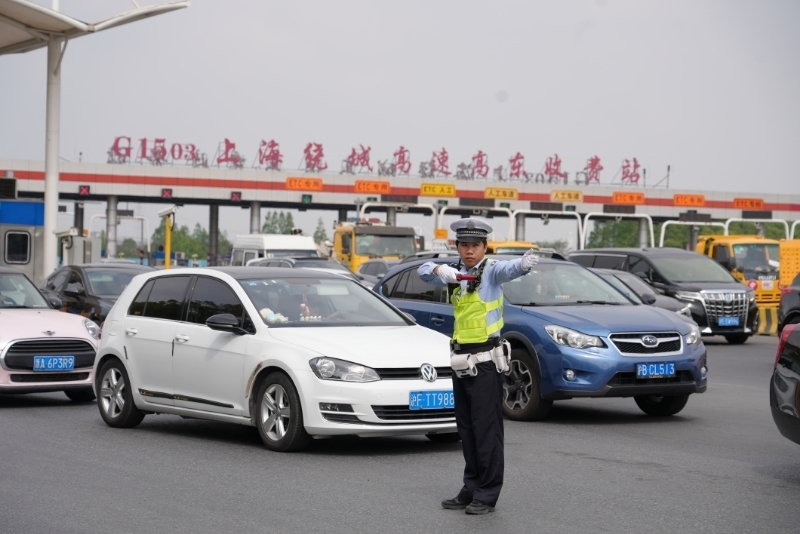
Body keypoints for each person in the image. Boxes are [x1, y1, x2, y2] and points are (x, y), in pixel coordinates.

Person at [417, 218, 539, 515]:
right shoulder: (454, 272)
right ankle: (470, 487)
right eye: (464, 245)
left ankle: (487, 494)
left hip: (486, 363)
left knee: (487, 431)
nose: (469, 251)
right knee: (467, 429)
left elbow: (511, 269)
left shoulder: (491, 272)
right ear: (457, 247)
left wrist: (524, 263)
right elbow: (421, 271)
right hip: (461, 362)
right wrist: (438, 269)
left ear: (485, 247)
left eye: (475, 246)